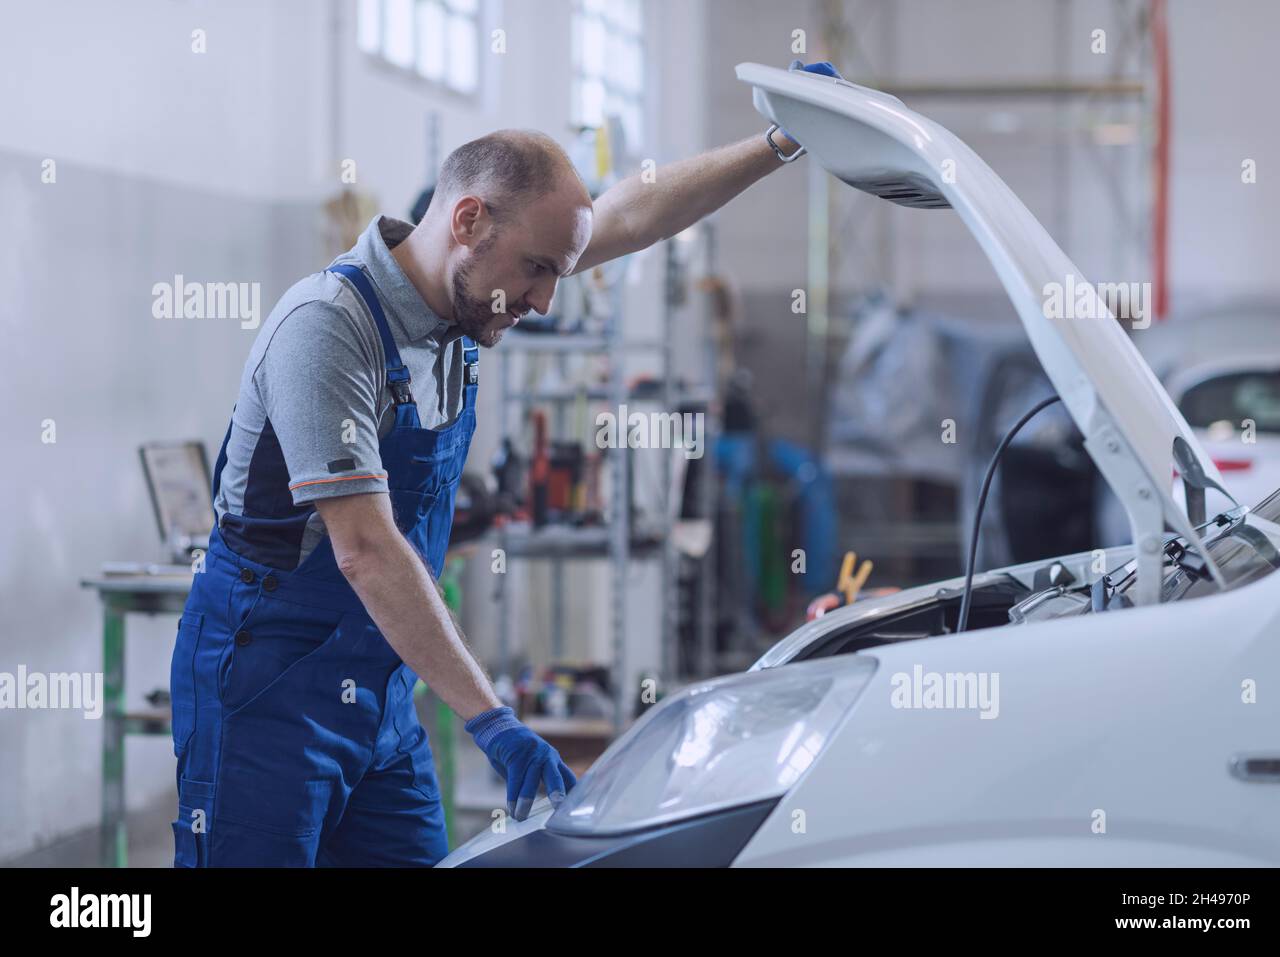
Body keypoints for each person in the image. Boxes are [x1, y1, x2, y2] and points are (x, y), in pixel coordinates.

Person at [169, 61, 841, 867]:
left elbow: (632, 213)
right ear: (468, 219)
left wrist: (778, 143)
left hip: (380, 689)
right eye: (537, 270)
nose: (546, 301)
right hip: (263, 684)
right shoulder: (328, 327)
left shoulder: (464, 301)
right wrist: (492, 718)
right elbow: (366, 551)